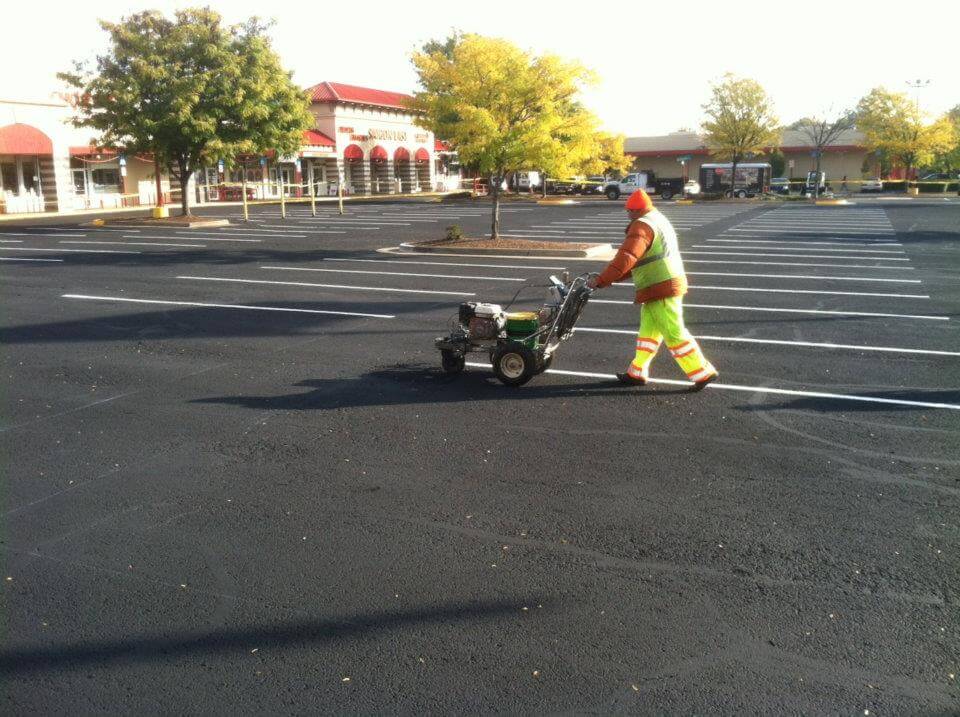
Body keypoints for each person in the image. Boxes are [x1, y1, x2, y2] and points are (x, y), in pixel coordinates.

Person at [587, 189, 718, 391]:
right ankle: (637, 372)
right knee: (648, 334)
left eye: (629, 211)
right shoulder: (657, 218)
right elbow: (639, 260)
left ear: (635, 210)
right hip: (658, 286)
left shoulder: (642, 225)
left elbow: (627, 257)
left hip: (662, 286)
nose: (628, 215)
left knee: (674, 333)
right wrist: (608, 280)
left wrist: (602, 280)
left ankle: (702, 371)